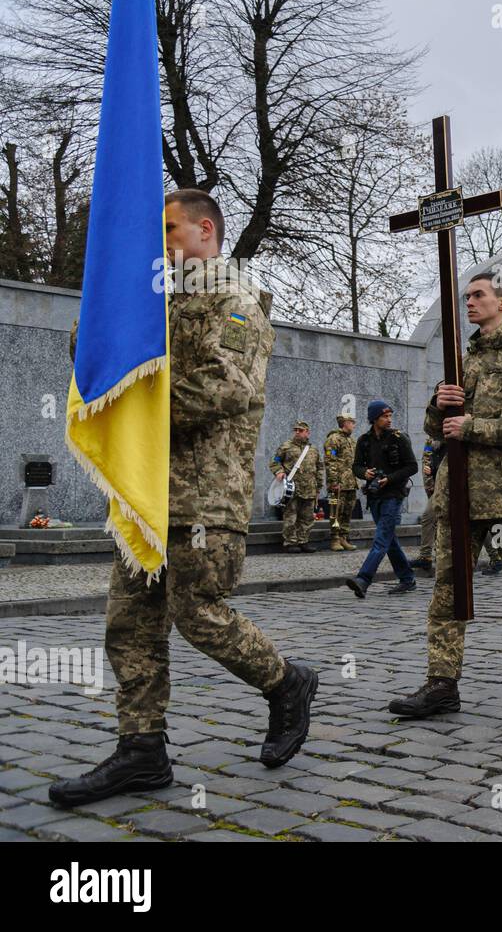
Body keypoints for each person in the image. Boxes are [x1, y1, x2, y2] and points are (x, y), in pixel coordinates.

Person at [50, 189, 316, 808]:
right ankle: (141, 751)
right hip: (144, 494)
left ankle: (285, 682)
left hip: (204, 497)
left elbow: (223, 388)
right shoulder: (154, 299)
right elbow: (98, 363)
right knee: (129, 623)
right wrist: (104, 309)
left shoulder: (235, 299)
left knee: (198, 613)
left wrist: (137, 409)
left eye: (170, 229)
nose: (161, 242)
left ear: (204, 230)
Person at [391, 270, 502, 715]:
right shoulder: (460, 361)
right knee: (448, 587)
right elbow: (436, 429)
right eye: (467, 295)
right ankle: (442, 681)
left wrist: (472, 426)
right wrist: (439, 403)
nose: (469, 302)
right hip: (460, 494)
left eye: (479, 295)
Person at [344, 400, 418, 598]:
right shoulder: (364, 441)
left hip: (393, 496)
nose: (389, 419)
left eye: (390, 416)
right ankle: (407, 578)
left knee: (381, 539)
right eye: (384, 416)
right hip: (375, 496)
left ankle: (363, 578)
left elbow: (412, 467)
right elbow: (356, 467)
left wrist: (390, 478)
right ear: (374, 419)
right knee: (389, 540)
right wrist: (365, 473)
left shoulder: (398, 438)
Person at [270, 421, 322, 553]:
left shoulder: (313, 449)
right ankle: (291, 542)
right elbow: (274, 462)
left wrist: (319, 486)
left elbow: (319, 468)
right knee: (291, 516)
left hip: (309, 488)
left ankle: (303, 541)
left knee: (308, 517)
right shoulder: (286, 446)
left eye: (301, 430)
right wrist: (279, 471)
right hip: (292, 488)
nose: (297, 432)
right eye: (296, 430)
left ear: (307, 432)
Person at [323, 413, 359, 552]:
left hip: (351, 483)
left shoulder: (351, 441)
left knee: (347, 511)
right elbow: (329, 461)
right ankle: (335, 539)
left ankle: (344, 537)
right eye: (352, 422)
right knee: (335, 512)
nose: (354, 425)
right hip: (337, 484)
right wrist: (333, 481)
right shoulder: (333, 439)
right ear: (344, 423)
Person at [412, 435, 444, 573]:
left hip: (448, 486)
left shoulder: (450, 436)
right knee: (431, 518)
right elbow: (427, 460)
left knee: (428, 517)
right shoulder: (430, 439)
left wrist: (433, 470)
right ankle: (427, 556)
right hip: (436, 485)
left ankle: (495, 555)